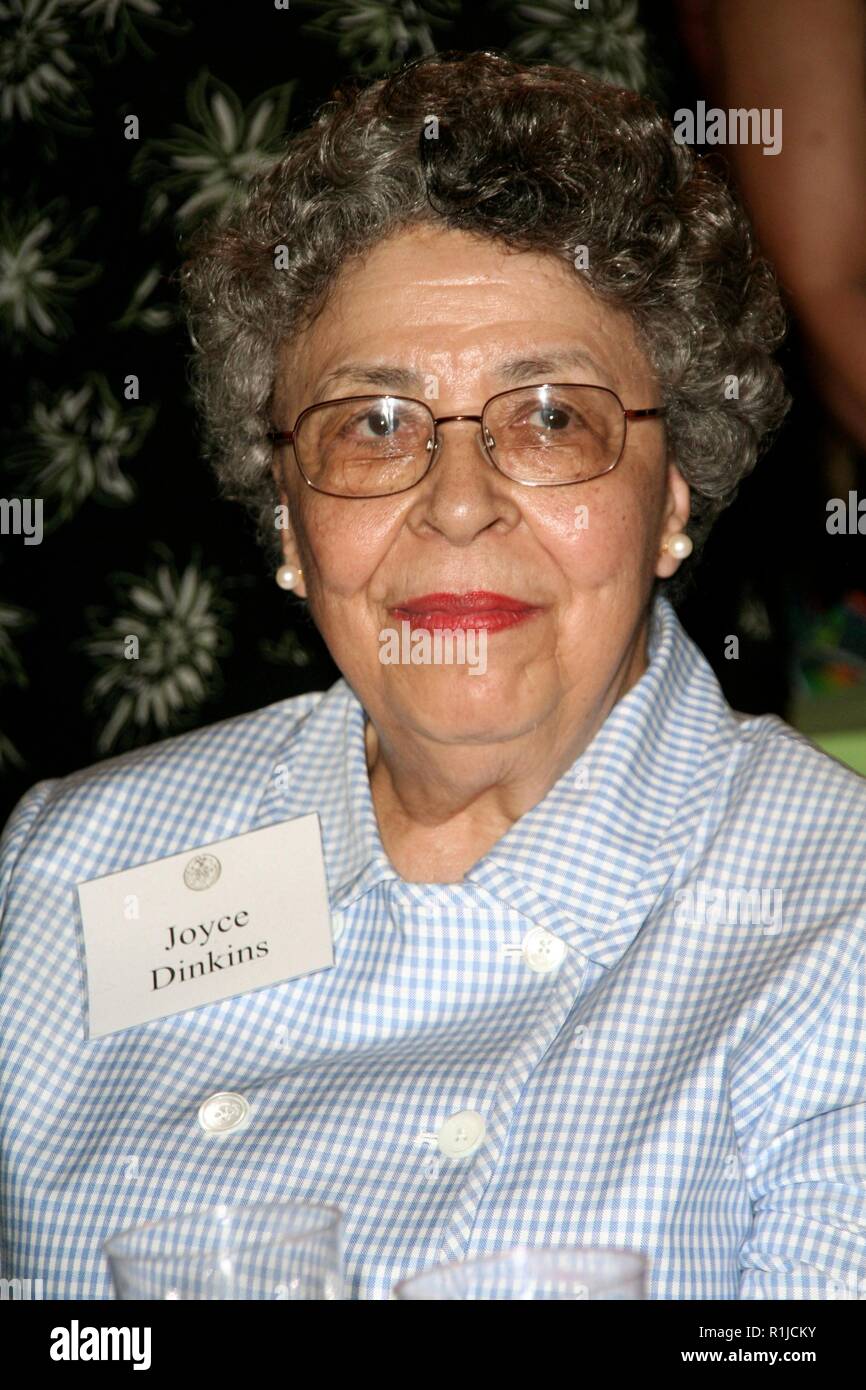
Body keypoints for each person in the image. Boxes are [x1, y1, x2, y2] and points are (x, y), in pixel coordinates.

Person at [1, 52, 864, 1301]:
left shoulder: (834, 918)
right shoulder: (74, 872)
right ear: (288, 519)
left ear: (672, 494)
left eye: (551, 417)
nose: (458, 504)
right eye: (374, 424)